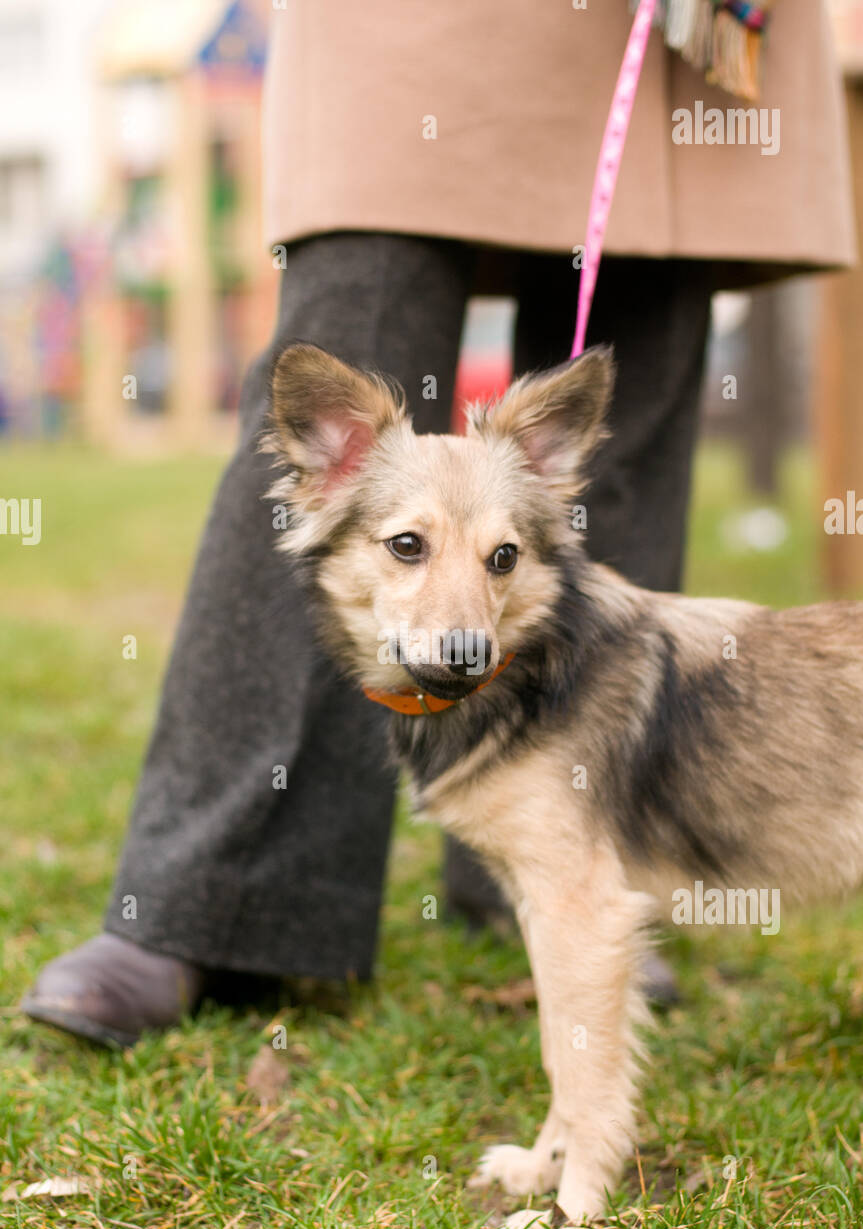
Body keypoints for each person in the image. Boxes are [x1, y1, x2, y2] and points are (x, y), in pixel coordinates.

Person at [23, 0, 855, 1045]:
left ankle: (560, 861)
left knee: (627, 331)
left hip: (663, 37)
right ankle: (217, 890)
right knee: (358, 275)